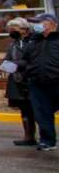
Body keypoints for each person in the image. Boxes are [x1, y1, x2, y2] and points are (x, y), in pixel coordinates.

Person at [20, 13, 59, 151]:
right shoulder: (33, 41)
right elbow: (25, 59)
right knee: (42, 114)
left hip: (56, 82)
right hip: (37, 84)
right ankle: (48, 141)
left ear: (51, 23)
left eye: (39, 22)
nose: (36, 25)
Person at [4, 18, 37, 146]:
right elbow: (7, 58)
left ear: (24, 29)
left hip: (30, 79)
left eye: (14, 29)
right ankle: (28, 137)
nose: (11, 32)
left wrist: (17, 63)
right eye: (10, 29)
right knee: (24, 110)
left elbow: (33, 60)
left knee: (37, 109)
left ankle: (47, 138)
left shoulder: (33, 43)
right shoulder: (13, 44)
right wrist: (6, 64)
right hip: (16, 80)